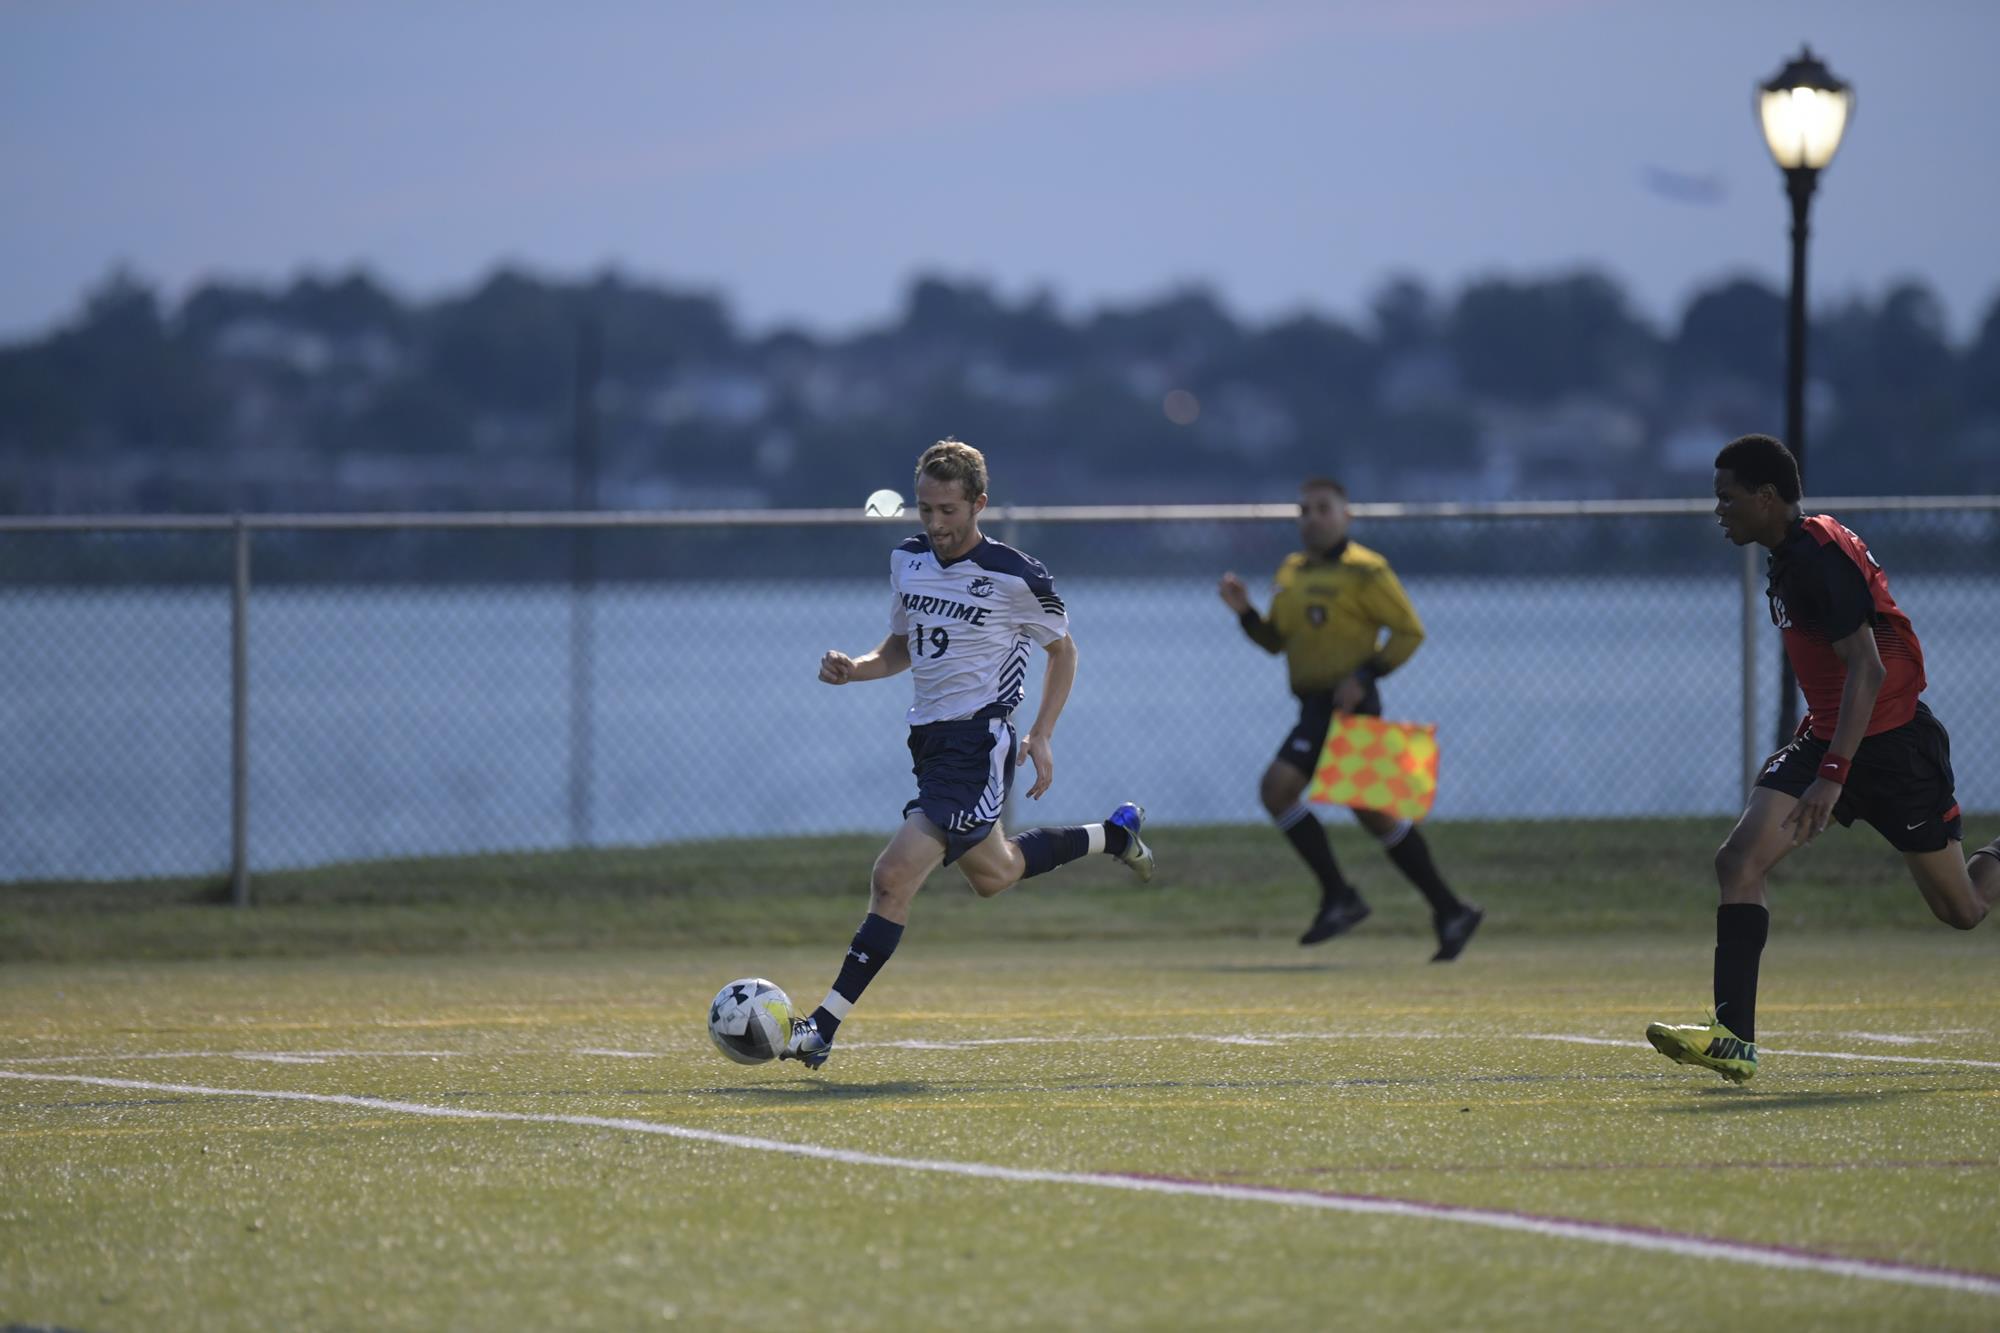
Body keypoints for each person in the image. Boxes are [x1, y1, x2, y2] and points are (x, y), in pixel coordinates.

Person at [780, 438, 1154, 1070]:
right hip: (928, 743)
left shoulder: (1017, 576)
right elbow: (899, 649)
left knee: (891, 877)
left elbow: (1062, 651)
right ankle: (1114, 837)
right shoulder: (907, 561)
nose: (934, 524)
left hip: (978, 744)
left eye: (948, 510)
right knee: (996, 874)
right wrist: (855, 669)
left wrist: (1042, 733)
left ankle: (820, 1027)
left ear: (978, 504)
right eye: (925, 510)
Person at [1646, 434, 2000, 1084]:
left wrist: (1833, 775)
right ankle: (1733, 1039)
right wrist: (1819, 745)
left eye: (1728, 498)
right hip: (1833, 738)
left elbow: (1866, 668)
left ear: (1767, 496)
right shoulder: (1790, 553)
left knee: (1963, 912)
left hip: (1891, 748)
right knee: (1737, 861)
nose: (1719, 510)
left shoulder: (1816, 557)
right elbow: (1833, 672)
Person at [1218, 477, 1482, 960]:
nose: (1312, 518)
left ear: (1346, 516)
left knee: (1279, 790)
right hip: (1312, 705)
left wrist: (1366, 674)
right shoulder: (1291, 572)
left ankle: (1343, 896)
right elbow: (1277, 642)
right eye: (1304, 510)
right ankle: (1449, 909)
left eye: (1323, 508)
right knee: (1371, 811)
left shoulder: (1367, 570)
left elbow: (1409, 632)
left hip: (1349, 706)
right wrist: (1246, 614)